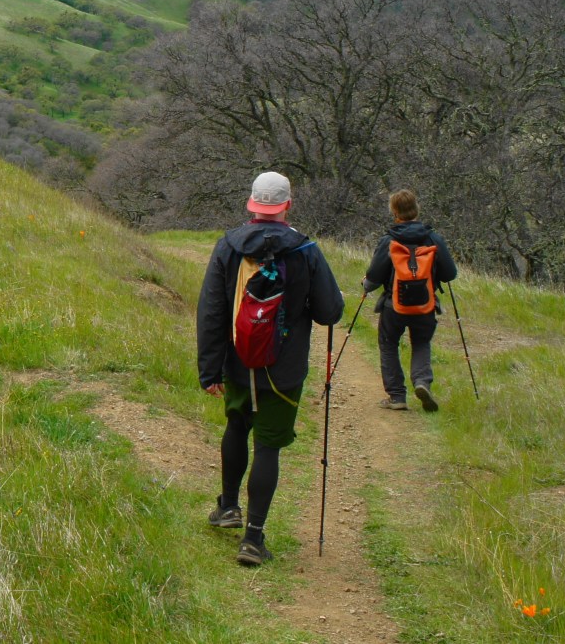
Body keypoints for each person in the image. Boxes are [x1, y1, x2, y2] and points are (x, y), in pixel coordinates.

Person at [196, 170, 345, 566]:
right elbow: (330, 312)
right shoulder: (306, 251)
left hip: (237, 361)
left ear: (251, 204)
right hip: (284, 369)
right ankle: (253, 539)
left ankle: (227, 507)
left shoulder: (228, 246)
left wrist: (209, 370)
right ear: (287, 206)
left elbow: (211, 311)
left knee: (237, 426)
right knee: (268, 446)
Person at [362, 189, 458, 412]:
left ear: (394, 212)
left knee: (388, 344)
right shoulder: (434, 238)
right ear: (417, 209)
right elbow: (450, 274)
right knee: (421, 343)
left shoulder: (389, 240)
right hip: (425, 306)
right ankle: (422, 382)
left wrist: (365, 286)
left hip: (393, 306)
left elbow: (374, 278)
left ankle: (397, 396)